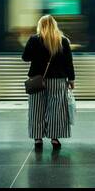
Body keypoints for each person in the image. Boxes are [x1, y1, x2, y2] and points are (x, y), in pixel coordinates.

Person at [22, 14, 74, 150]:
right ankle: (54, 138)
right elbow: (69, 63)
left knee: (36, 109)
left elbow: (25, 57)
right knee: (56, 110)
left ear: (40, 26)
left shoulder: (34, 40)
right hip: (58, 80)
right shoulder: (63, 40)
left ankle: (37, 138)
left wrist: (37, 54)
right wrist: (71, 79)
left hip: (37, 80)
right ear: (54, 25)